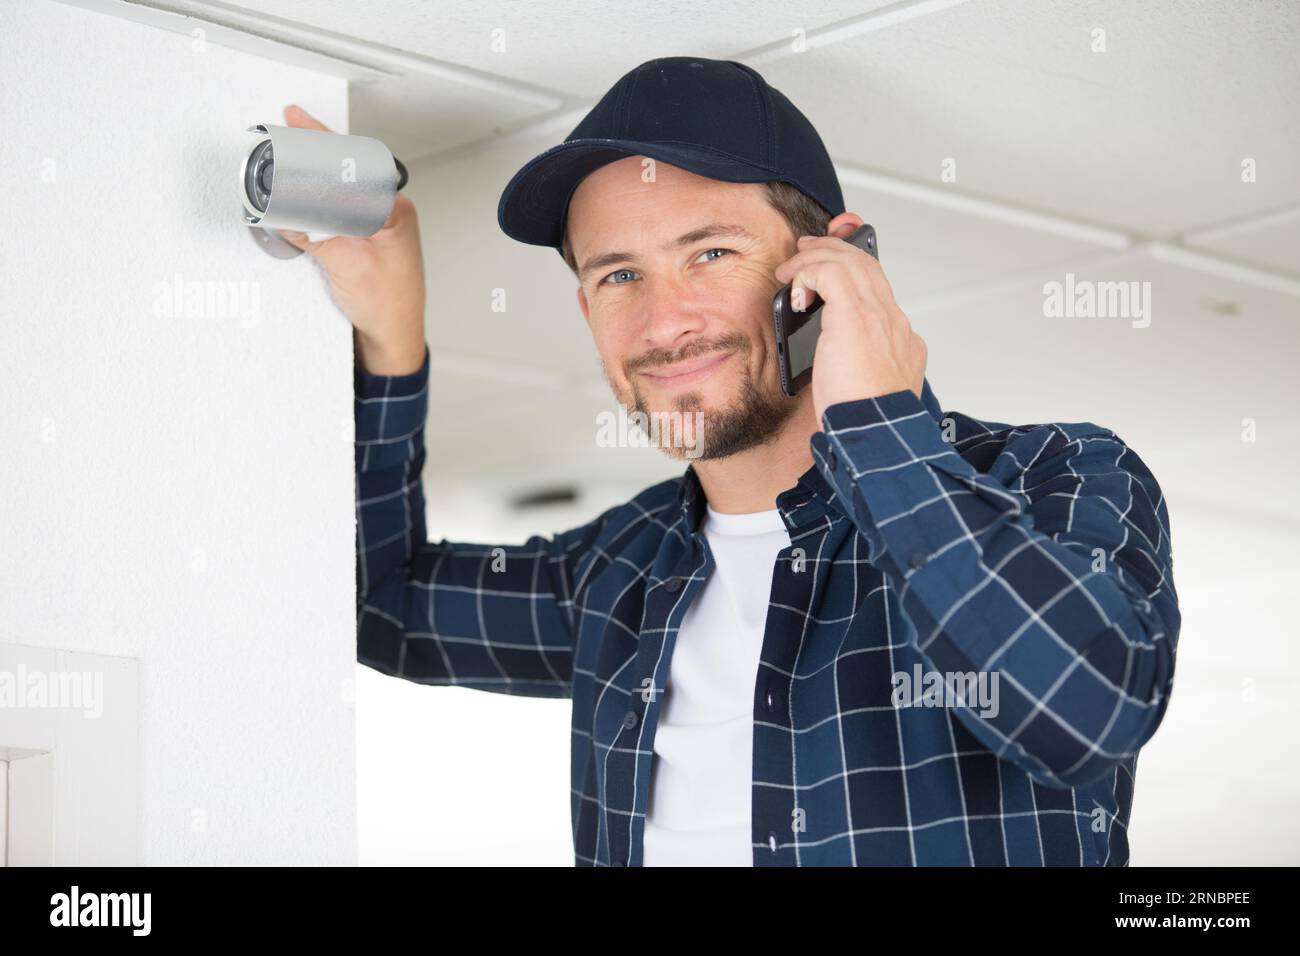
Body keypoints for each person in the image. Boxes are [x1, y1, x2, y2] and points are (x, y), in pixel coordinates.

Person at [281, 56, 1179, 867]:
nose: (663, 322)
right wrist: (391, 335)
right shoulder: (617, 571)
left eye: (711, 254)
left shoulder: (1055, 475)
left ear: (831, 269)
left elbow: (1086, 712)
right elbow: (374, 602)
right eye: (618, 275)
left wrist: (878, 425)